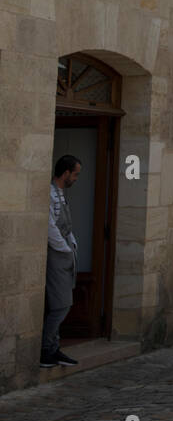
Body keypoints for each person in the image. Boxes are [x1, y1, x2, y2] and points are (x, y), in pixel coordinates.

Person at [41, 155, 82, 368]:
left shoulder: (61, 194)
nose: (76, 178)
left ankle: (53, 347)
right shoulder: (50, 194)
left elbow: (66, 226)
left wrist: (72, 245)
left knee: (62, 302)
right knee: (61, 305)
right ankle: (46, 349)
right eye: (75, 174)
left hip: (66, 252)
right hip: (57, 254)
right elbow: (50, 227)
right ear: (65, 173)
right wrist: (65, 248)